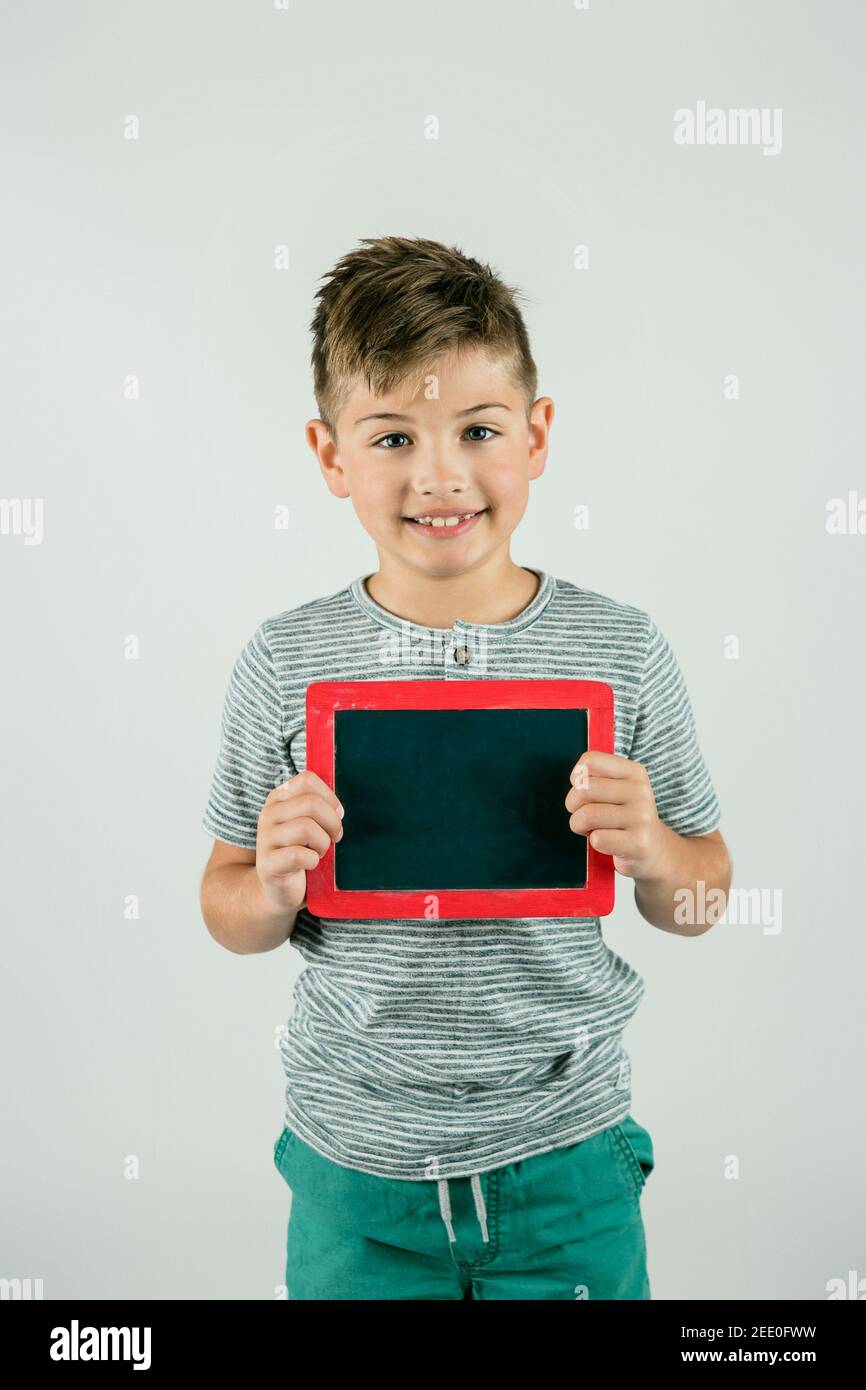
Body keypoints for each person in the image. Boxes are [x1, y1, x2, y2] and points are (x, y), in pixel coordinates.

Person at [199, 235, 732, 1300]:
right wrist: (267, 882)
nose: (438, 474)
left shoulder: (619, 649)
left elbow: (702, 898)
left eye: (476, 430)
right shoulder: (285, 659)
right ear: (329, 454)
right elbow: (225, 908)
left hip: (566, 1161)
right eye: (391, 435)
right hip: (357, 1174)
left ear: (535, 436)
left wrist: (657, 848)